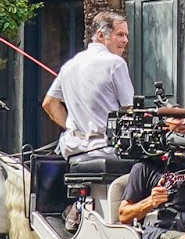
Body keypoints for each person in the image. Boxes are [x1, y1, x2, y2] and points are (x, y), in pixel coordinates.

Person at [42, 11, 134, 159]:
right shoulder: (116, 63)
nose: (125, 40)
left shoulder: (68, 66)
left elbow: (49, 103)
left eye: (126, 35)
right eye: (120, 34)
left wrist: (74, 127)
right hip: (105, 150)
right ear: (100, 35)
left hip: (73, 150)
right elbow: (129, 110)